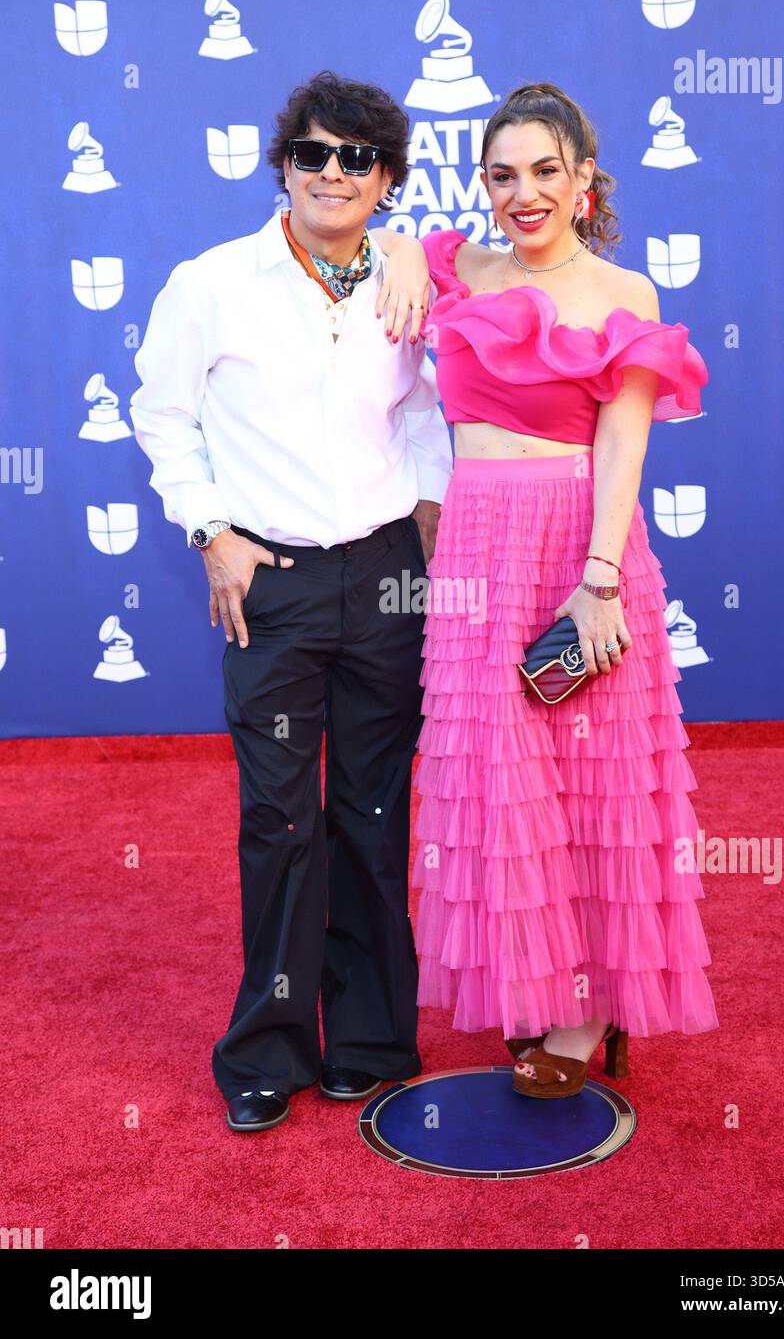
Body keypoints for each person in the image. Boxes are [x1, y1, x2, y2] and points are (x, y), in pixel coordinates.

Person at [375, 81, 719, 1099]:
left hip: (578, 543)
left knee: (591, 782)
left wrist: (599, 583)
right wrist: (397, 248)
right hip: (474, 548)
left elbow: (623, 443)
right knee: (498, 776)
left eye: (541, 172)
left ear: (581, 179)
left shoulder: (625, 296)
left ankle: (586, 1008)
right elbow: (394, 242)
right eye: (500, 174)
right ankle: (537, 980)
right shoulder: (455, 267)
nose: (520, 194)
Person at [129, 71, 452, 1132]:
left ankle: (365, 1038)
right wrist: (209, 531)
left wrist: (431, 521)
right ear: (282, 164)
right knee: (277, 820)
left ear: (387, 181)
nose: (331, 172)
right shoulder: (212, 282)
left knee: (369, 813)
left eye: (356, 158)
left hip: (384, 575)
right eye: (313, 153)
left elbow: (423, 414)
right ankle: (267, 1047)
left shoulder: (405, 286)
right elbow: (163, 415)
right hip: (267, 581)